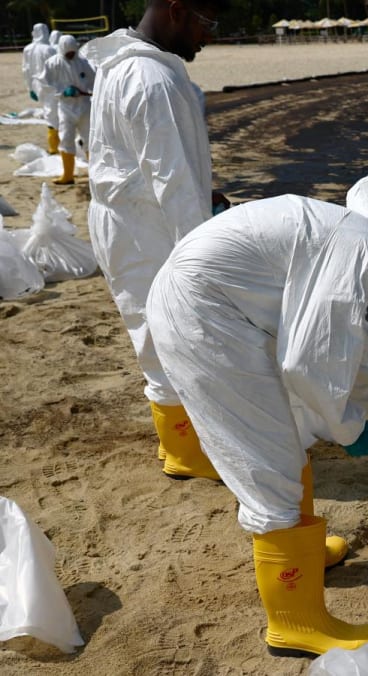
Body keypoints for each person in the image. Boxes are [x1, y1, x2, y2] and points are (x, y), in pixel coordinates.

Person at [145, 174, 368, 657]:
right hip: (205, 318)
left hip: (220, 308)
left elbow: (360, 359)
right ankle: (295, 623)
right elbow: (309, 364)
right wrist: (350, 429)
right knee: (268, 462)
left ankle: (303, 563)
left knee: (287, 439)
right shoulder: (354, 250)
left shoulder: (352, 236)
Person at [82, 0, 230, 480]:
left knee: (151, 328)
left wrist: (203, 192)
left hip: (126, 219)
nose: (207, 37)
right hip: (147, 227)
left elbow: (135, 156)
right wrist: (206, 258)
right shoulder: (153, 80)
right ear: (176, 10)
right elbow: (172, 181)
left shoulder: (122, 64)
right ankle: (187, 452)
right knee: (170, 333)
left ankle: (177, 446)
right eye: (205, 23)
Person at [34, 35, 94, 185]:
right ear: (61, 50)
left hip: (85, 106)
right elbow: (45, 83)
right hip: (66, 107)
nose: (71, 55)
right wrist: (61, 92)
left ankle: (94, 174)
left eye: (73, 52)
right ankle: (68, 175)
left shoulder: (83, 63)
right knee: (66, 138)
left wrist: (87, 91)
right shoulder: (52, 63)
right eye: (68, 53)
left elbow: (94, 81)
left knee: (90, 140)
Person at [21, 24, 56, 152]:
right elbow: (55, 69)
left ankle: (53, 142)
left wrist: (30, 88)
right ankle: (54, 145)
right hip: (49, 84)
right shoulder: (49, 49)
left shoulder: (27, 49)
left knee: (47, 111)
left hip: (36, 83)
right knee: (53, 113)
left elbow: (25, 69)